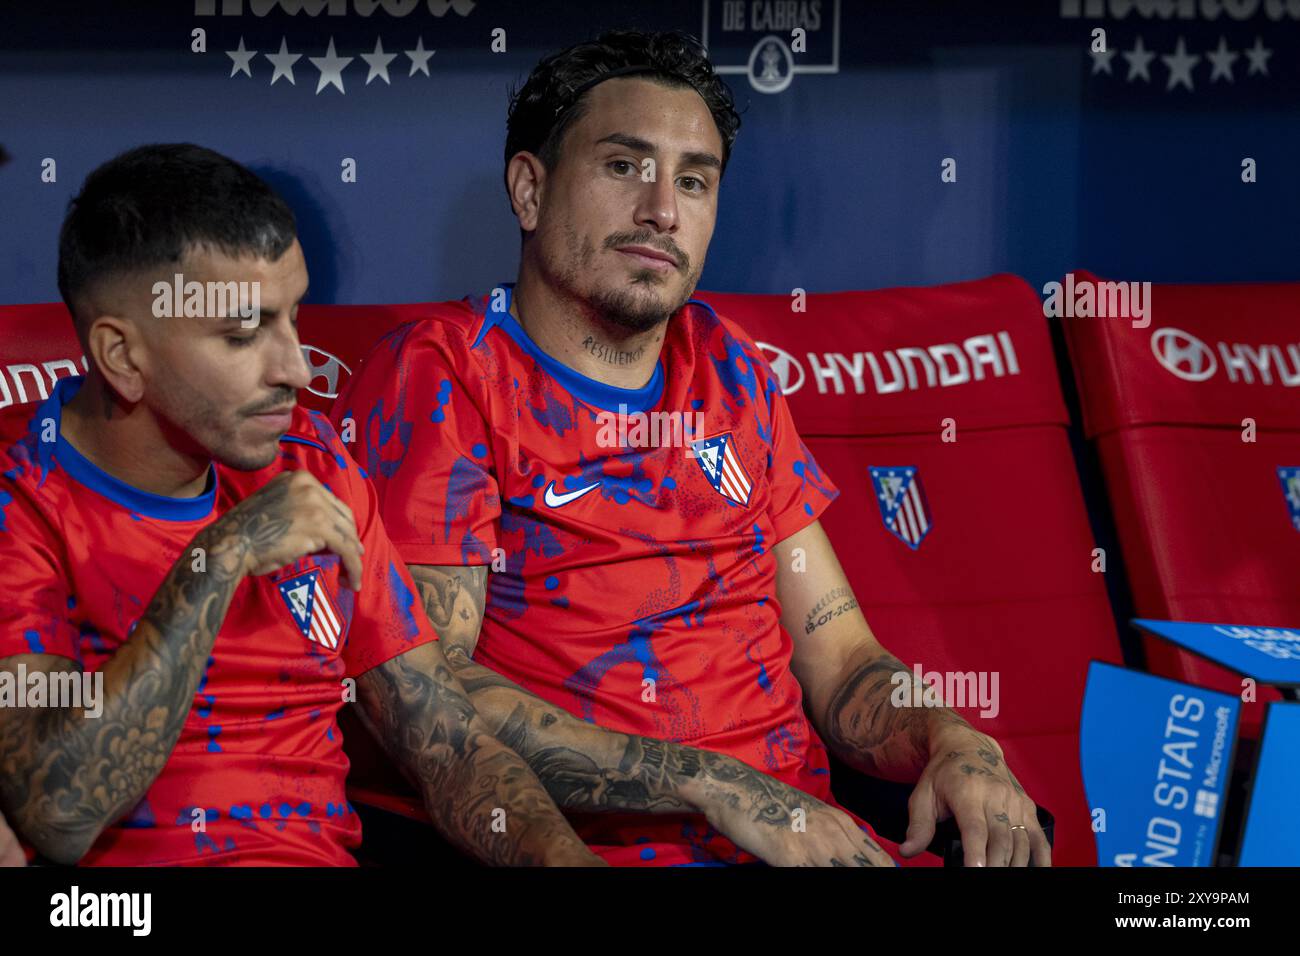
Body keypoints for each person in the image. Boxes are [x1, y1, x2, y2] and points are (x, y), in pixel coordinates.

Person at [334, 30, 1050, 867]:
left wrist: (953, 740)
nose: (663, 210)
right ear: (529, 190)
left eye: (694, 180)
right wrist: (713, 783)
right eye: (624, 166)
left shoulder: (731, 367)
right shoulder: (444, 372)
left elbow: (843, 659)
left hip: (809, 841)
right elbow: (433, 698)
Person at [0, 143, 600, 866]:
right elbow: (61, 812)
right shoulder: (22, 504)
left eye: (293, 317)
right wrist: (217, 559)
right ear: (123, 357)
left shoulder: (313, 461)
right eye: (244, 334)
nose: (296, 367)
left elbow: (448, 744)